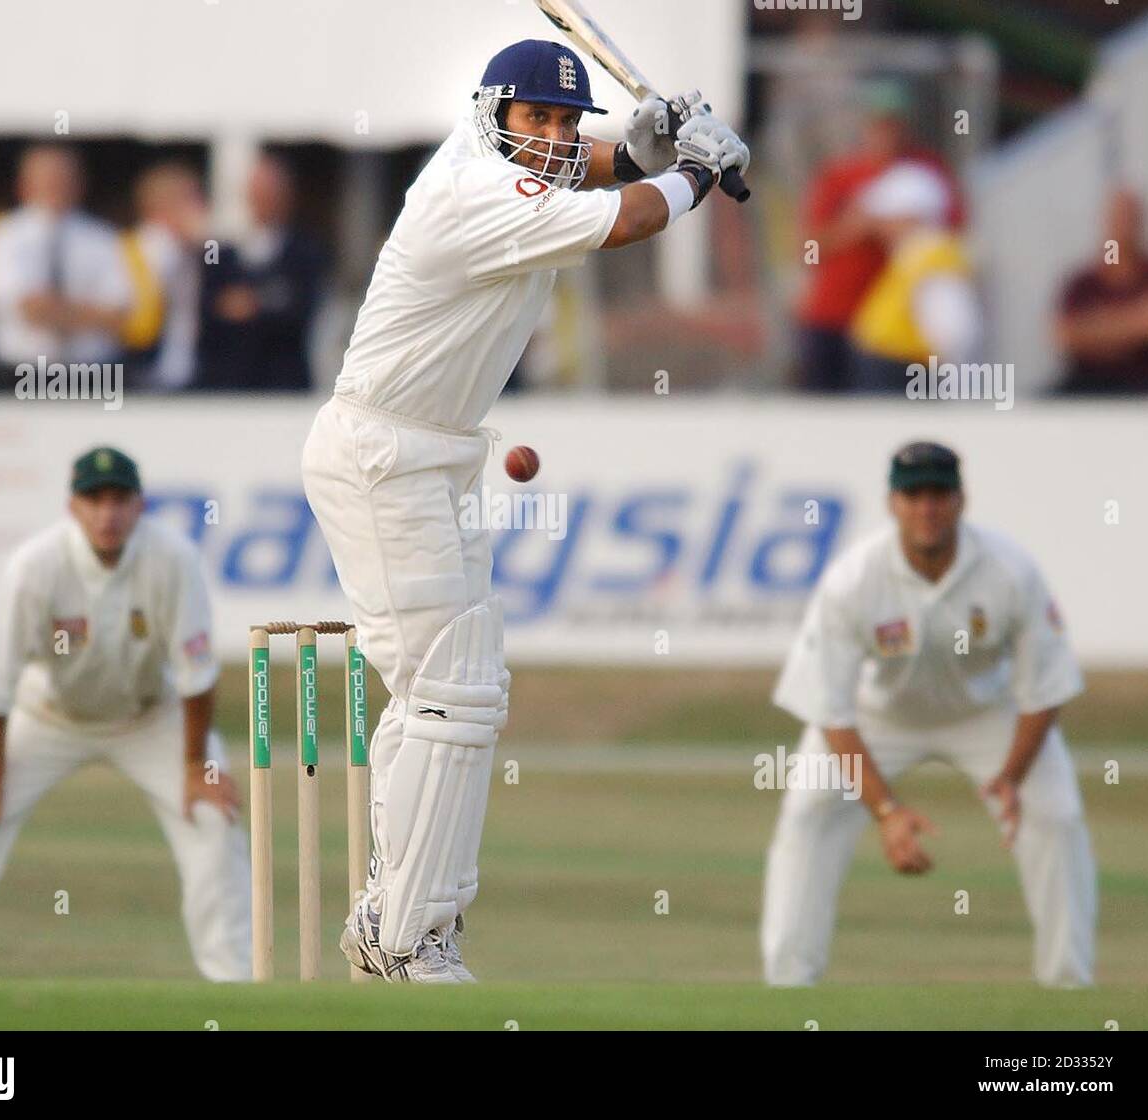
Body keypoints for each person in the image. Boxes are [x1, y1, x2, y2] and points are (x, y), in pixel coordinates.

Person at [301, 38, 749, 982]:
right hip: (386, 451)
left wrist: (646, 138)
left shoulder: (508, 167)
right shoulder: (470, 193)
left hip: (440, 451)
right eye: (532, 118)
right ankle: (405, 937)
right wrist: (698, 171)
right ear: (489, 114)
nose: (548, 138)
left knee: (453, 688)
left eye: (561, 121)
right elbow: (622, 219)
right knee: (447, 686)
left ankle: (403, 912)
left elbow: (594, 169)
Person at [0, 447, 250, 982]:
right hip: (48, 715)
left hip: (152, 717)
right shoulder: (35, 566)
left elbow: (197, 675)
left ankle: (235, 984)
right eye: (94, 500)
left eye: (119, 500)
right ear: (72, 507)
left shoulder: (173, 558)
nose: (107, 513)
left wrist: (196, 765)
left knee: (213, 820)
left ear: (138, 505)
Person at [761, 442, 1096, 987]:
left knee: (1055, 814)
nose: (927, 508)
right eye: (913, 495)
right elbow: (830, 708)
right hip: (878, 714)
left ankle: (1069, 984)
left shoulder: (1009, 571)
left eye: (939, 493)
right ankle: (789, 988)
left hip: (985, 712)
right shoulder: (853, 579)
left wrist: (1011, 777)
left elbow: (1047, 686)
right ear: (892, 503)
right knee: (809, 814)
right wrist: (887, 811)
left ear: (961, 501)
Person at [795, 82, 964, 392]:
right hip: (836, 317)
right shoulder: (839, 176)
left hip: (892, 331)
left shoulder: (928, 171)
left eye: (893, 124)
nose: (886, 133)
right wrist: (860, 225)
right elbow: (809, 249)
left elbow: (949, 237)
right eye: (878, 124)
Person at [0, 146, 132, 382]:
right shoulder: (4, 236)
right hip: (20, 374)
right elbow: (26, 308)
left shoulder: (104, 237)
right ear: (24, 184)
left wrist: (52, 309)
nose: (57, 184)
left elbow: (118, 314)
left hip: (91, 375)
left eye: (64, 177)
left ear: (80, 183)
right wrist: (88, 314)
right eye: (48, 178)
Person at [195, 154, 328, 391]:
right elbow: (207, 309)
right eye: (258, 192)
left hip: (283, 382)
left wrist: (255, 304)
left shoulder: (306, 251)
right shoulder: (221, 252)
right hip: (228, 383)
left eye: (270, 192)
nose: (264, 200)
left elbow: (303, 308)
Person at [848, 162, 980, 391]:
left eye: (888, 217)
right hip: (891, 382)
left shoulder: (933, 258)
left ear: (909, 216)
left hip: (904, 386)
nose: (881, 227)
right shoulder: (913, 256)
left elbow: (954, 333)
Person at [1054, 188, 1148, 395]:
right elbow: (1065, 335)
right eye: (1117, 218)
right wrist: (1137, 323)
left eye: (1129, 217)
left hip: (1144, 390)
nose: (1123, 226)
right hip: (1088, 389)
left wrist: (1099, 326)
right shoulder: (1085, 282)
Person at [123, 162, 209, 391]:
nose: (201, 208)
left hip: (187, 372)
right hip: (143, 371)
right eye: (191, 199)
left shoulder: (192, 250)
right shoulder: (143, 248)